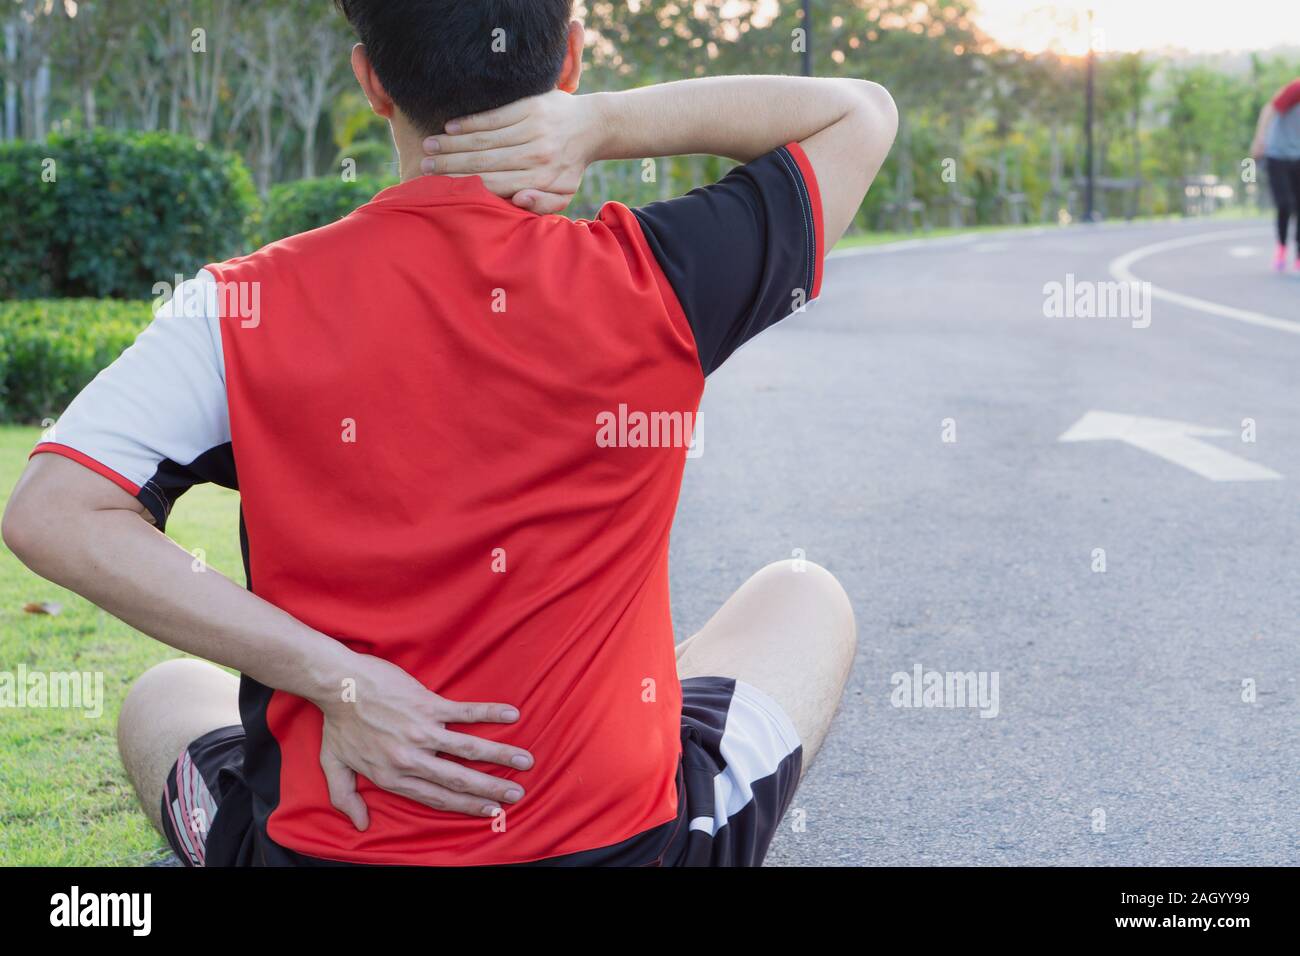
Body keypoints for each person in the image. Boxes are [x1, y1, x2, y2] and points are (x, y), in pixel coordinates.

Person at [2, 0, 895, 866]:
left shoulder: (235, 309)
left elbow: (53, 514)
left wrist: (334, 677)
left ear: (371, 83)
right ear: (570, 58)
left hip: (323, 850)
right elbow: (859, 114)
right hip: (625, 850)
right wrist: (601, 124)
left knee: (159, 696)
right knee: (802, 594)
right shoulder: (658, 280)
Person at [1250, 77, 1300, 272]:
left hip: (1298, 156)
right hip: (1277, 154)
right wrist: (1259, 139)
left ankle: (1298, 253)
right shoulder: (1296, 88)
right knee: (1285, 204)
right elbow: (1269, 109)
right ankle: (1281, 246)